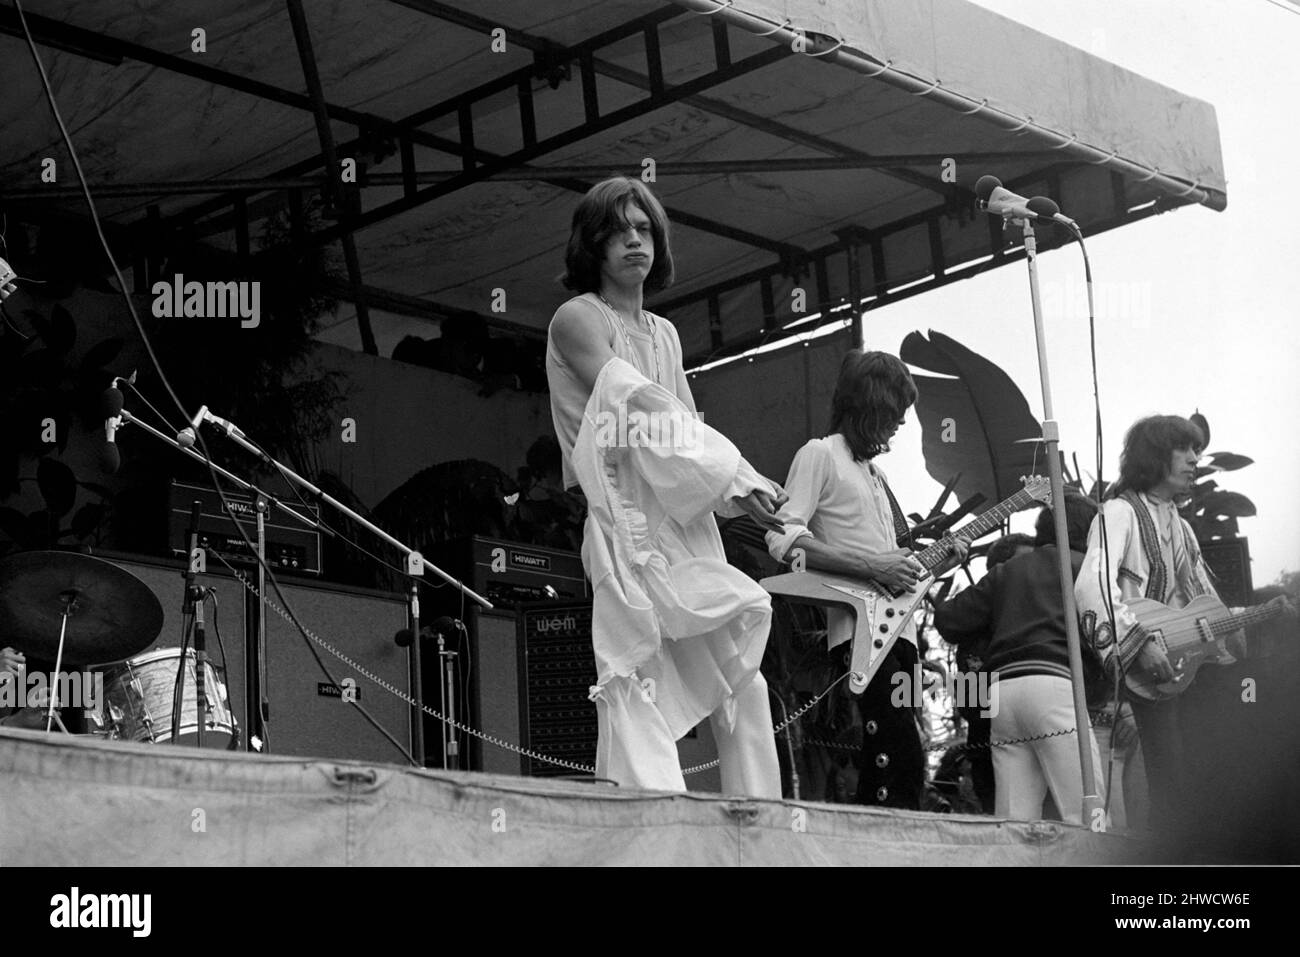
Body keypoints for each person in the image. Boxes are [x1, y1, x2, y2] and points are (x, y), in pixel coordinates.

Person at [546, 177, 787, 796]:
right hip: (621, 522)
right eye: (619, 230)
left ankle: (759, 825)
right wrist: (735, 474)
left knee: (741, 672)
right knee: (633, 671)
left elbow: (683, 424)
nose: (634, 241)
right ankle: (654, 826)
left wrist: (742, 491)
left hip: (681, 522)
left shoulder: (665, 333)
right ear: (592, 244)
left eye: (644, 229)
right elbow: (634, 403)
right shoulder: (576, 318)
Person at [765, 351, 966, 809]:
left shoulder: (877, 478)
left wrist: (939, 561)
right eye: (893, 414)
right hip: (859, 631)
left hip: (903, 633)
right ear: (869, 405)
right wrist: (872, 567)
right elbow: (784, 539)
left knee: (897, 757)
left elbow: (896, 567)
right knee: (897, 755)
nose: (898, 425)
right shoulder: (819, 454)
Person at [1074, 414, 1292, 832]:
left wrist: (1265, 613)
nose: (1195, 459)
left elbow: (1204, 612)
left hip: (1187, 671)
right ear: (1155, 456)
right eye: (1185, 449)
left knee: (1200, 777)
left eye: (1197, 451)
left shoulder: (1184, 528)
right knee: (1168, 783)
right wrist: (1139, 644)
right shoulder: (1119, 512)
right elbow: (1092, 586)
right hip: (1143, 672)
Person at [932, 494, 1105, 825]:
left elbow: (950, 620)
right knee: (1086, 815)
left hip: (1003, 696)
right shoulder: (1084, 566)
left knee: (1013, 823)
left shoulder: (1006, 571)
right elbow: (1110, 631)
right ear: (1088, 531)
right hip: (1055, 684)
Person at [955, 532, 1035, 813]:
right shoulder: (975, 630)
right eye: (1025, 563)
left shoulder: (1046, 620)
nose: (1034, 571)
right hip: (991, 758)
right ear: (999, 574)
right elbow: (970, 704)